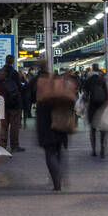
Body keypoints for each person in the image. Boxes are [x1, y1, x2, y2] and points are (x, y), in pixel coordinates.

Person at [33, 61, 68, 191]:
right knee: (58, 149)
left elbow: (29, 97)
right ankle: (59, 177)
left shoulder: (36, 81)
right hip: (60, 117)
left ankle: (56, 183)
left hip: (45, 120)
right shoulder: (56, 78)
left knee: (50, 152)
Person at [0, 55, 25, 152]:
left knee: (4, 126)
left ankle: (2, 145)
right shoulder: (14, 73)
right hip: (14, 103)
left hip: (2, 102)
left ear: (5, 61)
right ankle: (14, 146)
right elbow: (19, 88)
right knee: (14, 126)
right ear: (13, 62)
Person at [83, 64, 108, 158]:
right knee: (102, 129)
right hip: (102, 107)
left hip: (92, 107)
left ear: (92, 69)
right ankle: (102, 148)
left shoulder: (88, 80)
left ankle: (94, 150)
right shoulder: (102, 79)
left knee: (93, 129)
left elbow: (85, 96)